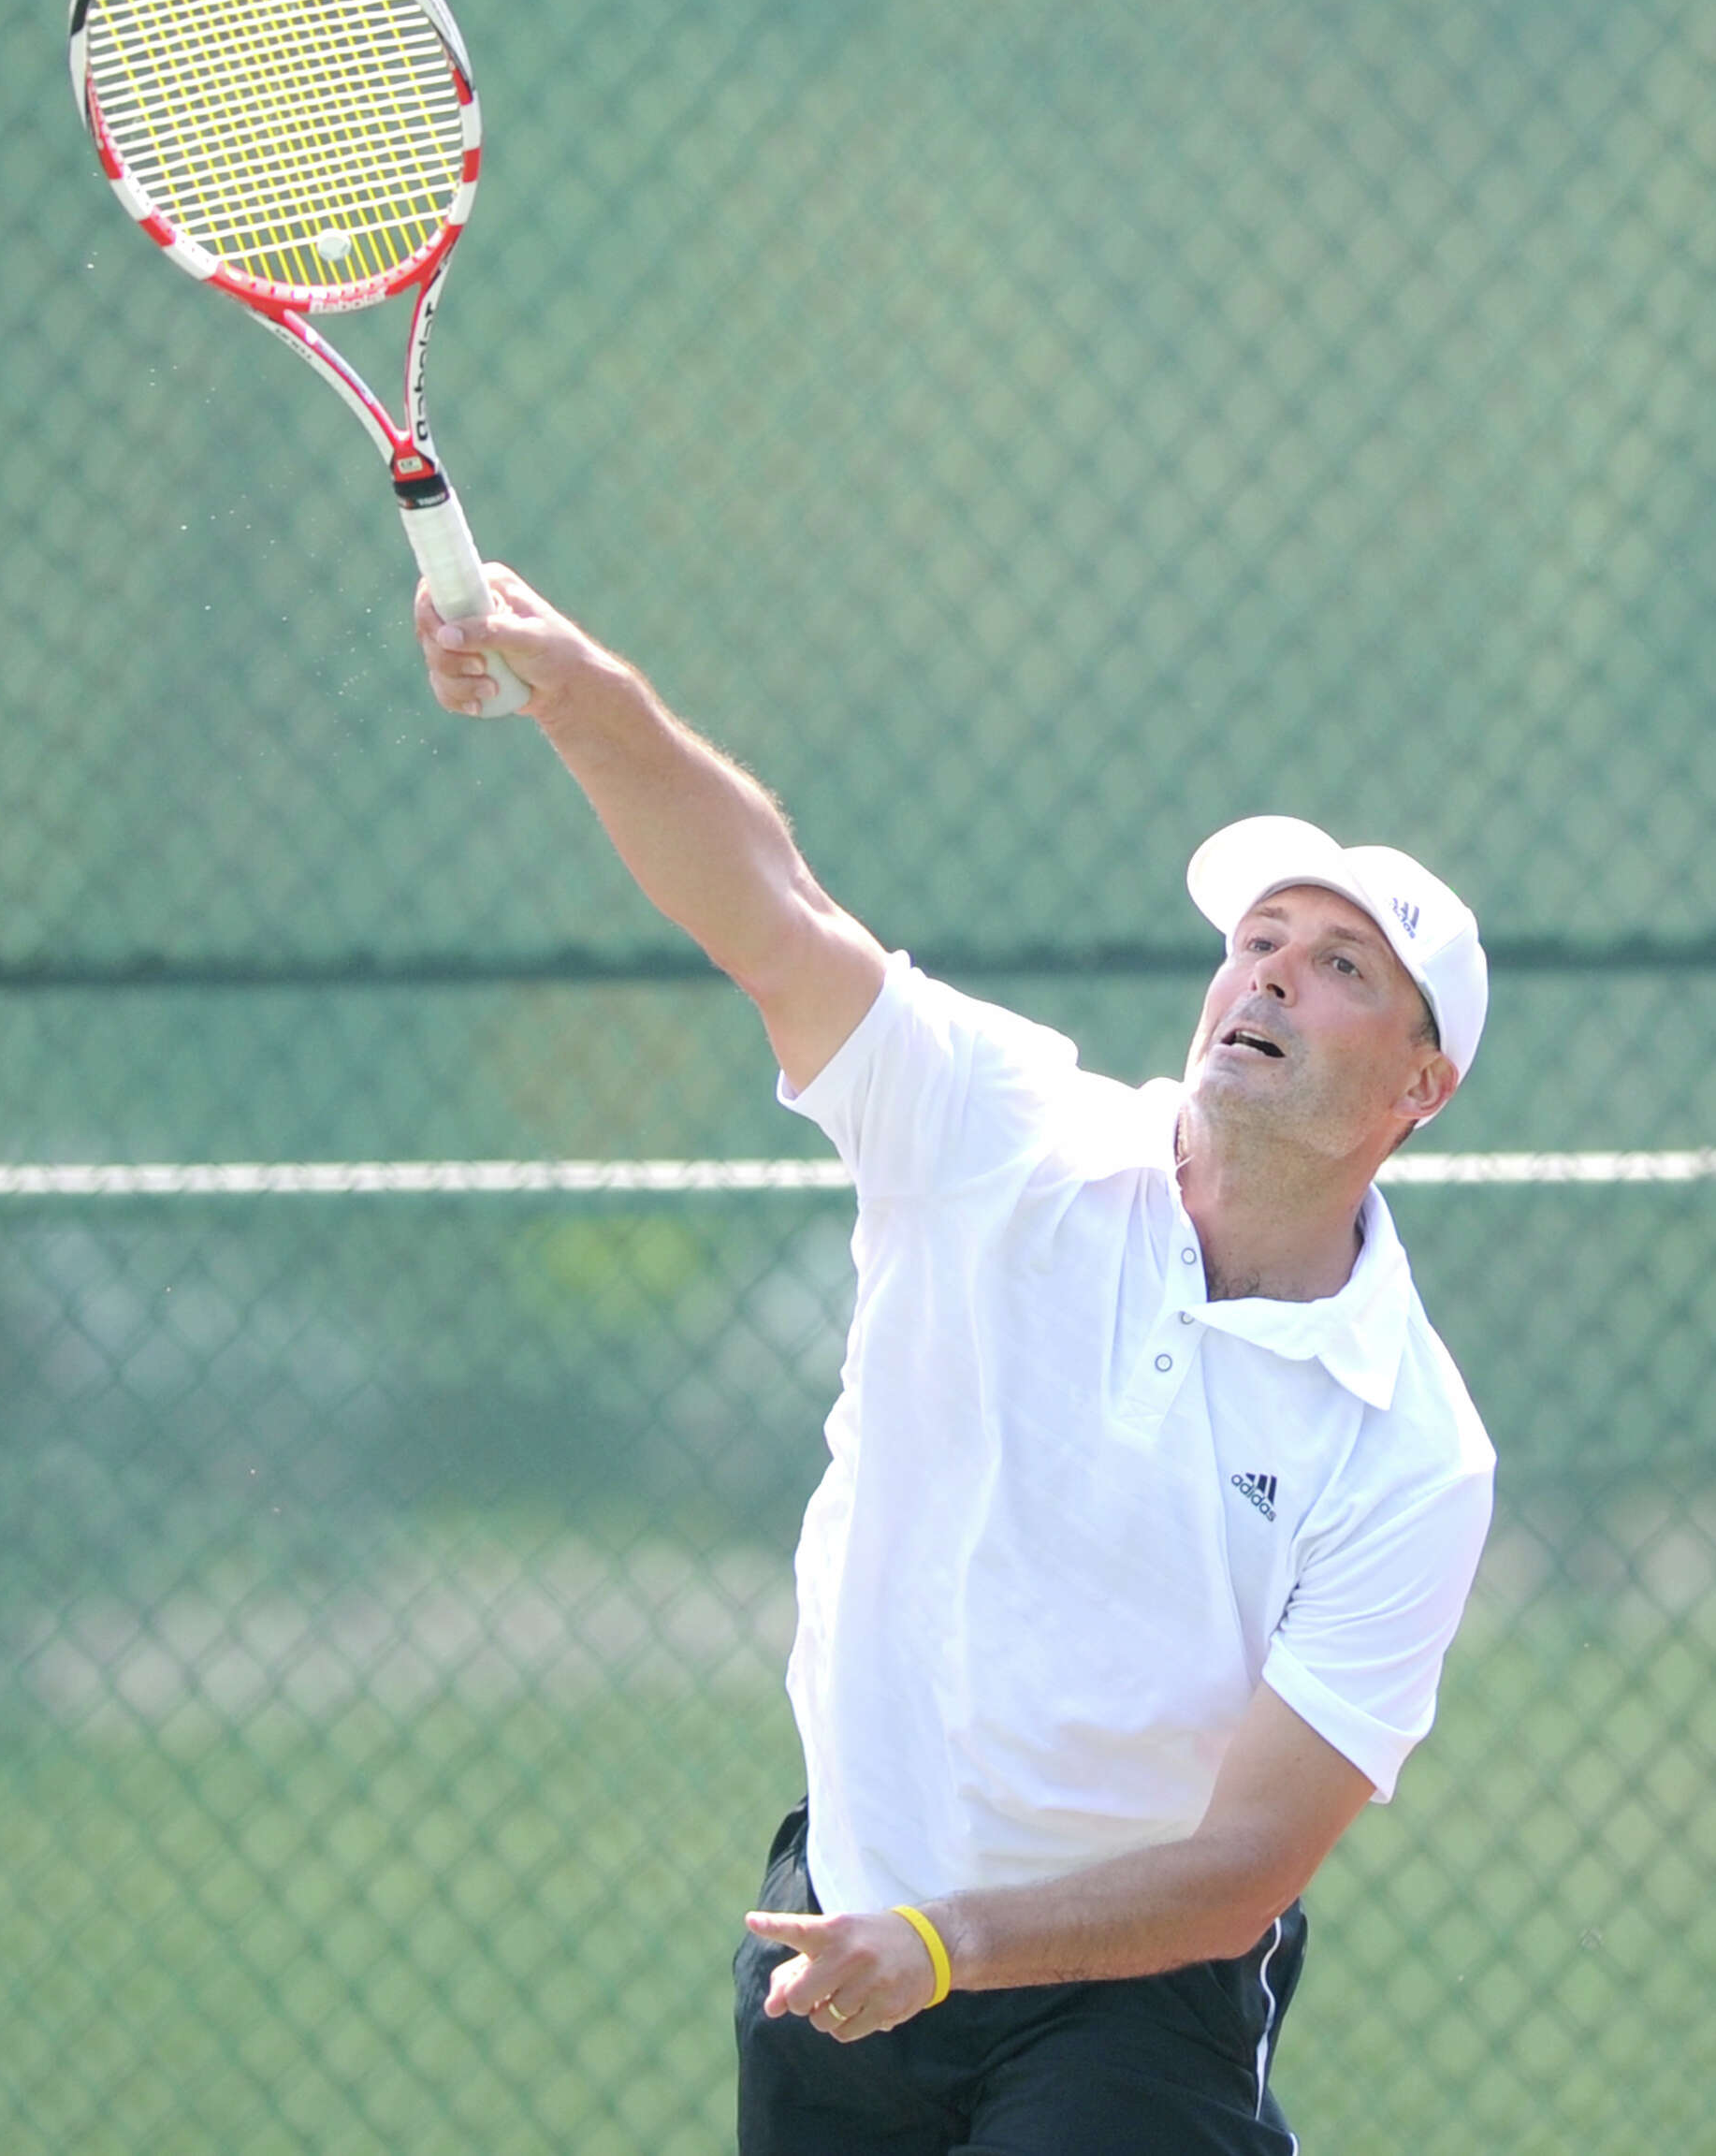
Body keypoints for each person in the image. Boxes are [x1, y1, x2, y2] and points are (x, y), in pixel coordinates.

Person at [417, 567, 1496, 2156]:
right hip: (839, 1941)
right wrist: (576, 692)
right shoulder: (999, 1133)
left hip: (1129, 2003)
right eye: (1260, 938)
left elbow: (1248, 1865)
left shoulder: (1411, 1448)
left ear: (1424, 1081)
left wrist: (951, 1948)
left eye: (1342, 965)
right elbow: (773, 911)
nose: (1269, 971)